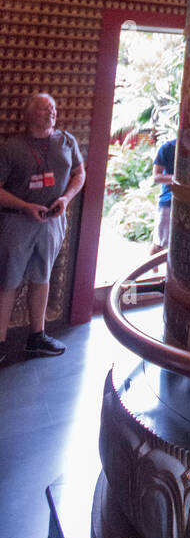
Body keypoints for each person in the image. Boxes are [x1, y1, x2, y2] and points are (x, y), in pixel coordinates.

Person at [0, 92, 86, 365]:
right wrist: (25, 206)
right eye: (43, 108)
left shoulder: (66, 141)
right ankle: (0, 341)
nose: (50, 112)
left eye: (52, 108)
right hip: (17, 222)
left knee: (42, 277)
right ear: (29, 114)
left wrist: (65, 198)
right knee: (8, 281)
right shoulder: (12, 147)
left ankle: (37, 336)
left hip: (52, 222)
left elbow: (79, 173)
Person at [151, 134, 176, 254]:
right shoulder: (168, 147)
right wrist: (178, 178)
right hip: (168, 201)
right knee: (159, 244)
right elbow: (156, 177)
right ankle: (151, 272)